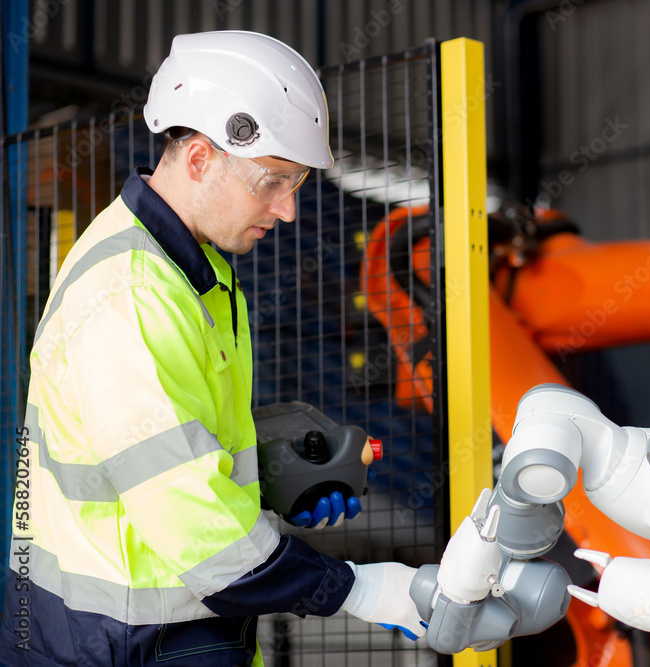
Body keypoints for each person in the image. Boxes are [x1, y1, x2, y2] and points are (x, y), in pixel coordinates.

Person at [0, 30, 425, 666]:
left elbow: (156, 453)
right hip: (110, 643)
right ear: (199, 158)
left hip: (158, 629)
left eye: (298, 183)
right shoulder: (132, 295)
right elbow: (190, 523)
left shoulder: (194, 269)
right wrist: (357, 591)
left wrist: (264, 474)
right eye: (272, 181)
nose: (286, 209)